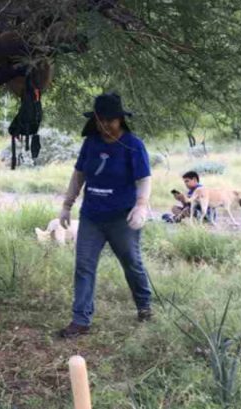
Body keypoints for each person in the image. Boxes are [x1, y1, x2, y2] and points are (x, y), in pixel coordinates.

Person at [58, 93, 153, 338]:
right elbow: (79, 174)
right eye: (101, 120)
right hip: (92, 217)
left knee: (131, 262)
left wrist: (141, 205)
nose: (105, 125)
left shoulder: (133, 145)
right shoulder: (90, 143)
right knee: (84, 266)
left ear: (120, 120)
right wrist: (67, 204)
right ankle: (81, 320)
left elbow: (144, 179)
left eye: (111, 120)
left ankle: (144, 306)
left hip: (122, 217)